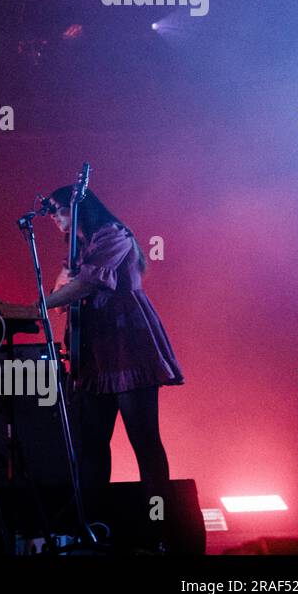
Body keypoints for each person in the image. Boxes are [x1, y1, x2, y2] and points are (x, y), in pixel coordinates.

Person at [42, 186, 183, 549]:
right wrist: (50, 295)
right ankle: (90, 528)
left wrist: (36, 306)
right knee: (91, 445)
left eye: (60, 211)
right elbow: (63, 294)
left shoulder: (114, 235)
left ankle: (162, 531)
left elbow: (88, 284)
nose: (56, 219)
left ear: (80, 208)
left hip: (126, 344)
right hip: (95, 351)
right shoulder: (76, 248)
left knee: (144, 442)